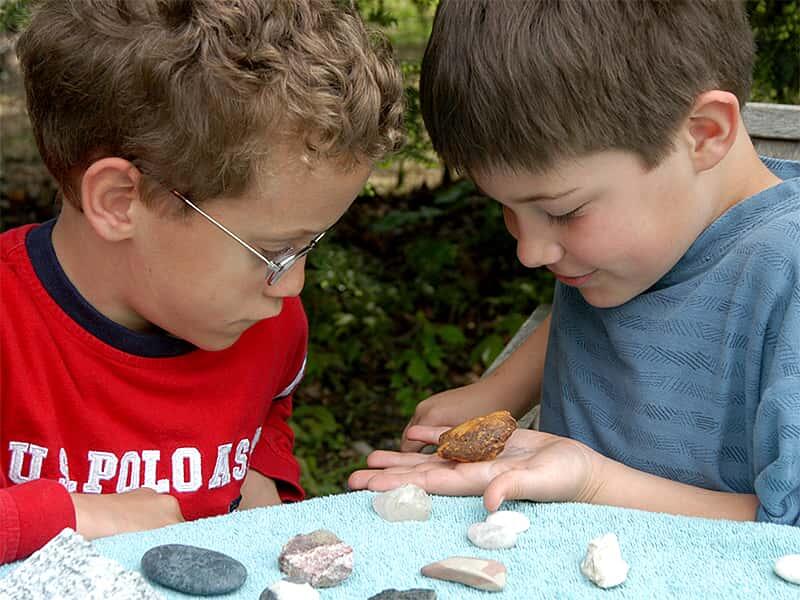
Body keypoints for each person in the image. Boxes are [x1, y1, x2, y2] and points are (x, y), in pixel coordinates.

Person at [349, 0, 800, 526]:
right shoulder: (622, 253)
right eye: (508, 208)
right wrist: (502, 389)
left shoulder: (781, 274)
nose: (531, 251)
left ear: (703, 133)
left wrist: (593, 483)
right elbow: (605, 317)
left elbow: (785, 532)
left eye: (562, 210)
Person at [0, 0, 404, 564]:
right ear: (122, 202)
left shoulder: (268, 325)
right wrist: (69, 516)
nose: (290, 286)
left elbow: (268, 411)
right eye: (271, 251)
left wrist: (267, 472)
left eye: (306, 246)